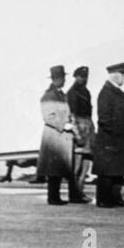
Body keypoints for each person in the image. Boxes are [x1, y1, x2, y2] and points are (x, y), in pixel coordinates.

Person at [92, 62, 124, 208]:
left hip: (119, 140)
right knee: (107, 173)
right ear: (116, 75)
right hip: (110, 140)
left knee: (118, 171)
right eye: (123, 75)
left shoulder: (120, 94)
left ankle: (115, 197)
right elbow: (104, 119)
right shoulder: (105, 93)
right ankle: (103, 199)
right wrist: (117, 135)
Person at [38, 65, 76, 206]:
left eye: (63, 78)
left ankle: (55, 196)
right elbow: (48, 116)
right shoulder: (49, 96)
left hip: (61, 136)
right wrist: (63, 125)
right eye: (60, 78)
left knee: (58, 168)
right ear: (54, 79)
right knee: (53, 169)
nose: (63, 80)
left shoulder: (61, 95)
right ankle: (52, 197)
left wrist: (70, 121)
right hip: (54, 136)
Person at [65, 66, 94, 203]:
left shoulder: (86, 92)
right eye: (81, 76)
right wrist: (77, 134)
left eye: (85, 76)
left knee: (85, 166)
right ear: (76, 77)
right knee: (76, 166)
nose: (84, 79)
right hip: (79, 131)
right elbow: (71, 116)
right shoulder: (72, 93)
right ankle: (74, 194)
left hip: (88, 129)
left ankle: (80, 192)